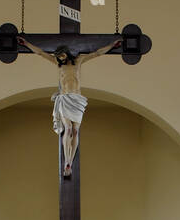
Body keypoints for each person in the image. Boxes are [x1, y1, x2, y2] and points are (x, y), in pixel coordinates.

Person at [18, 35, 122, 178]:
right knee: (68, 129)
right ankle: (67, 160)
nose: (60, 58)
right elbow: (41, 53)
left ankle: (70, 161)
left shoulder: (78, 61)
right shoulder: (57, 63)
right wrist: (26, 44)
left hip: (77, 99)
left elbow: (97, 53)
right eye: (58, 57)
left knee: (75, 130)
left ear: (66, 53)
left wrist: (111, 46)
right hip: (65, 98)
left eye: (61, 55)